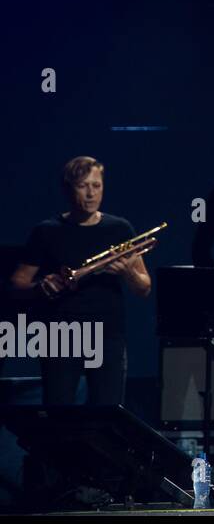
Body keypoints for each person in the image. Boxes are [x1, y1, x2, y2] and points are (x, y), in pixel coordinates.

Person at [10, 156, 152, 406]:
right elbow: (18, 284)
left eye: (96, 186)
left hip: (107, 333)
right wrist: (41, 286)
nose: (90, 194)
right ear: (67, 189)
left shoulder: (120, 229)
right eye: (83, 186)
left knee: (107, 414)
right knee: (59, 412)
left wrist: (128, 272)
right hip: (61, 333)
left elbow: (144, 288)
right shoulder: (46, 230)